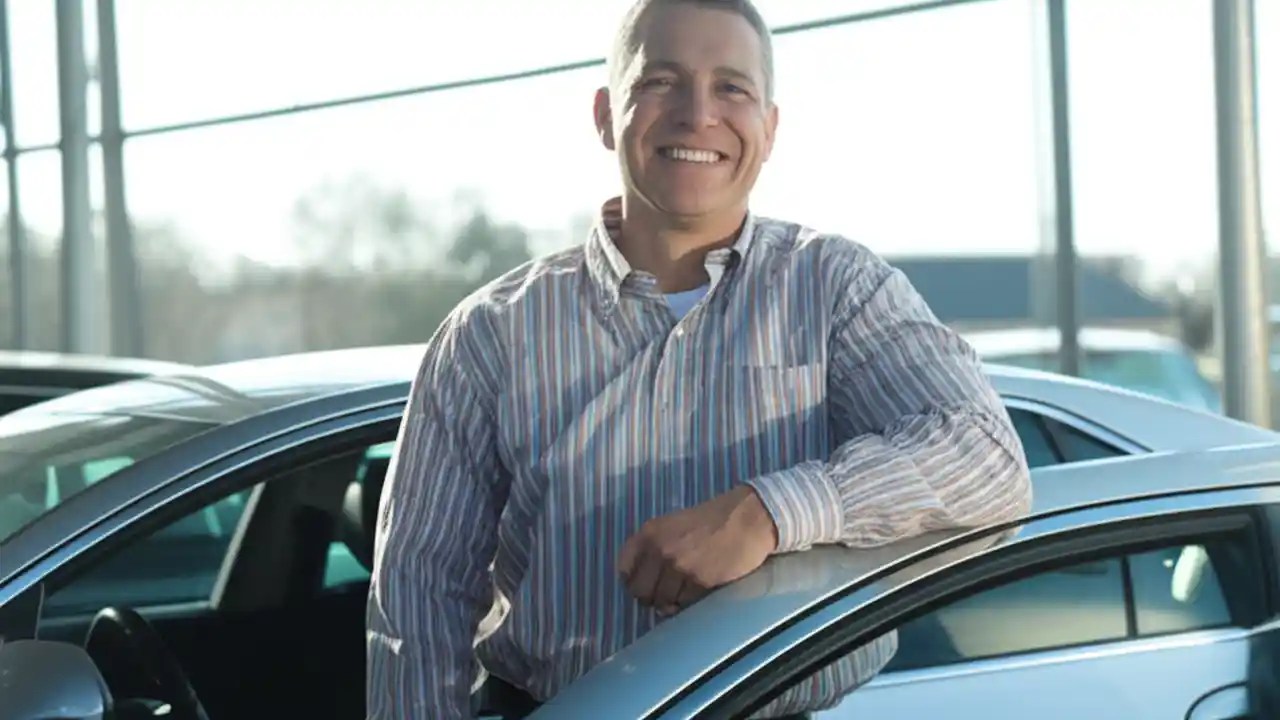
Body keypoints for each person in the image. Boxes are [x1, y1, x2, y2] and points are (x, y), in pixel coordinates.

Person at [366, 1, 1033, 718]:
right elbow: (419, 599)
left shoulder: (839, 290)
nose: (698, 113)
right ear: (603, 113)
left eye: (732, 89)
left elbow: (985, 456)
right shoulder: (486, 335)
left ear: (769, 129)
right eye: (661, 82)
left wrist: (764, 514)